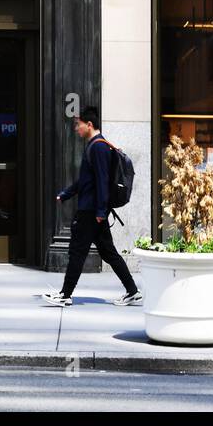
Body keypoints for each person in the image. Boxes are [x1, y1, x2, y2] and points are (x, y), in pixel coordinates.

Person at [43, 106, 142, 307]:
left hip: (91, 212)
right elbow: (87, 181)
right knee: (108, 252)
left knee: (77, 252)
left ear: (89, 125)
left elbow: (103, 180)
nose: (76, 129)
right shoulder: (96, 146)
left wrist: (100, 211)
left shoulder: (97, 147)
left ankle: (65, 295)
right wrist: (66, 194)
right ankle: (132, 290)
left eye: (78, 125)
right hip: (95, 210)